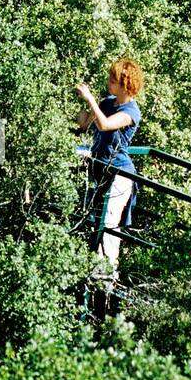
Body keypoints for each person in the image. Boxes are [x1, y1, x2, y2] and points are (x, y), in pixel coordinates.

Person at [75, 58, 144, 284]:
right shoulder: (108, 102)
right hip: (101, 170)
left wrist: (91, 99)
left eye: (113, 80)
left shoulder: (131, 111)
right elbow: (86, 123)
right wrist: (82, 105)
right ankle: (91, 271)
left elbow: (105, 125)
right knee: (93, 220)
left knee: (109, 224)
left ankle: (106, 279)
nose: (109, 82)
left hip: (120, 175)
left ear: (124, 84)